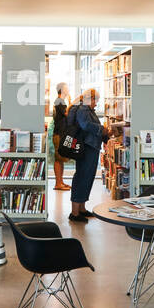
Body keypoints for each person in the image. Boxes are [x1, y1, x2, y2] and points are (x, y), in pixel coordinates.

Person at [67, 88, 105, 222]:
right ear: (91, 99)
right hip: (86, 147)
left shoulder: (87, 109)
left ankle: (81, 208)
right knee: (82, 177)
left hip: (90, 146)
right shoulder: (83, 109)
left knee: (87, 177)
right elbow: (85, 125)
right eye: (96, 100)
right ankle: (75, 212)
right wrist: (102, 129)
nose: (97, 104)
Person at [51, 81, 72, 191]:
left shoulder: (61, 101)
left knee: (61, 158)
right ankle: (58, 183)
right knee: (58, 159)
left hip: (61, 133)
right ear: (62, 90)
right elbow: (67, 114)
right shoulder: (59, 101)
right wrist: (72, 103)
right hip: (58, 134)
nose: (68, 90)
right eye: (67, 88)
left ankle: (61, 181)